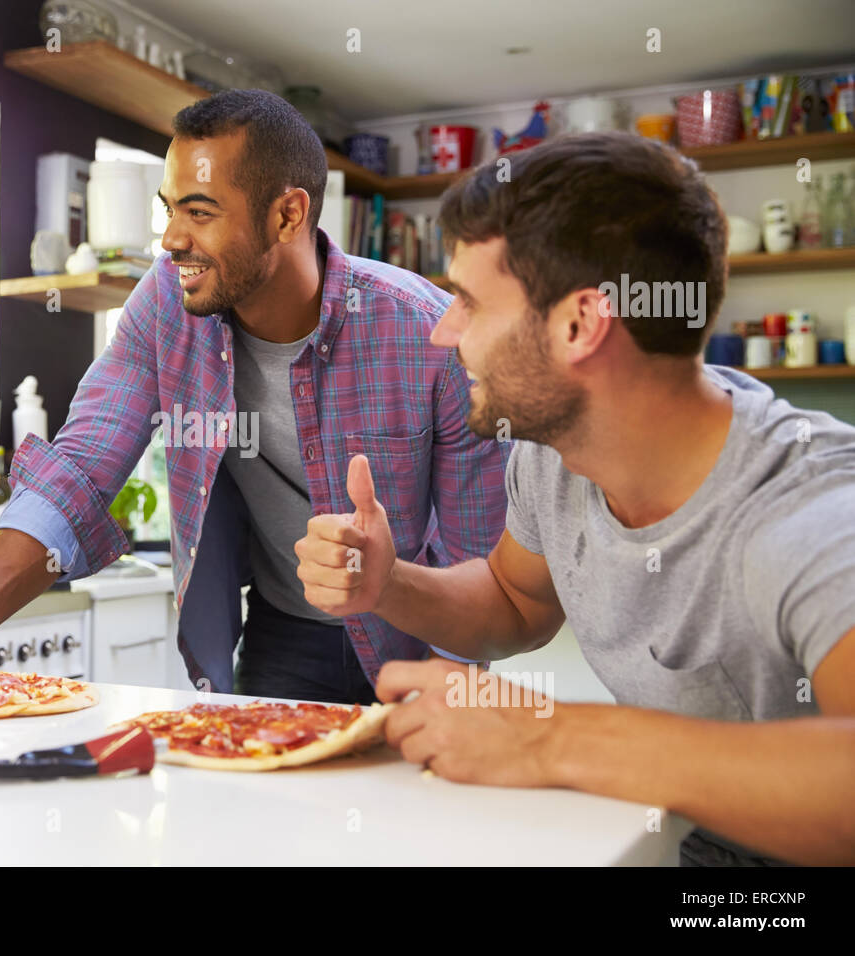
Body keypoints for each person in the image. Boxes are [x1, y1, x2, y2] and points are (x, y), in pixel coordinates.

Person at [295, 131, 855, 865]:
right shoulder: (551, 458)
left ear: (580, 325)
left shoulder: (811, 507)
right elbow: (513, 602)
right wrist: (387, 584)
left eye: (466, 301)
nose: (441, 331)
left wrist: (546, 736)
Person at [0, 90, 509, 702]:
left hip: (418, 638)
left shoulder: (428, 333)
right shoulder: (165, 304)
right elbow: (77, 471)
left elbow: (476, 559)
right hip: (284, 635)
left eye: (199, 211)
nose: (170, 238)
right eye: (169, 209)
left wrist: (449, 686)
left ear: (287, 214)